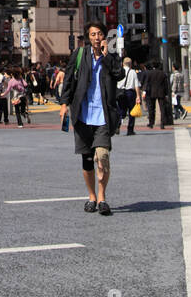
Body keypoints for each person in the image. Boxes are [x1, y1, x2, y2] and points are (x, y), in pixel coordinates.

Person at [59, 22, 124, 216]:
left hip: (103, 115)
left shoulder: (110, 56)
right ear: (89, 37)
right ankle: (92, 196)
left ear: (104, 37)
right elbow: (69, 80)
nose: (97, 37)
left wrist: (107, 56)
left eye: (100, 34)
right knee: (87, 159)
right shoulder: (79, 55)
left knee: (102, 157)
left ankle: (102, 197)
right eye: (93, 34)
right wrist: (64, 104)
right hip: (83, 114)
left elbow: (119, 75)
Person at [117, 55, 142, 135]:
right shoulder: (133, 72)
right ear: (130, 64)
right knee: (132, 112)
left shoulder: (119, 71)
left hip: (120, 93)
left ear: (123, 64)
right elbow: (136, 85)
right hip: (130, 93)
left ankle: (117, 125)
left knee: (121, 110)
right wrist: (138, 96)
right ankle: (130, 129)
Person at [144, 60, 171, 129]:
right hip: (161, 92)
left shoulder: (149, 73)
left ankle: (151, 123)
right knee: (162, 108)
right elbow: (166, 85)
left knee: (151, 108)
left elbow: (147, 83)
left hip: (151, 92)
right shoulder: (162, 73)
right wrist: (166, 94)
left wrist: (145, 92)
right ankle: (162, 123)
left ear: (152, 66)